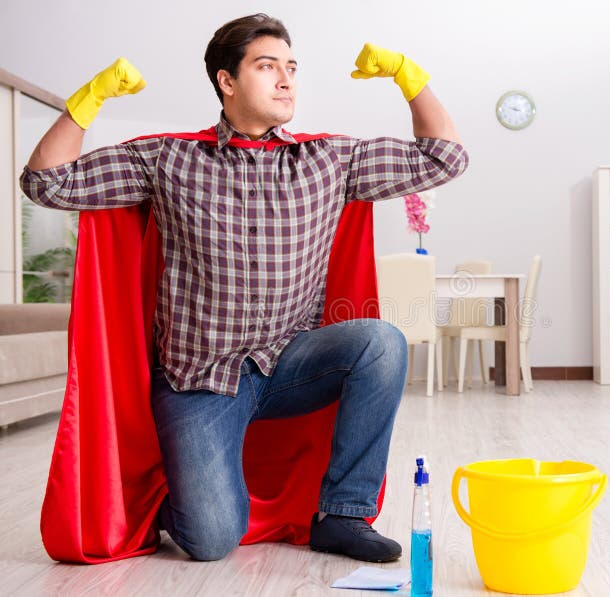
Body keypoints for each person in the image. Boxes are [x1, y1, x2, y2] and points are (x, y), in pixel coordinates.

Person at [20, 14, 467, 563]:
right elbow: (46, 183)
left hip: (291, 365)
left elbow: (444, 157)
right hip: (199, 381)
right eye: (267, 66)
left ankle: (343, 515)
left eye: (292, 68)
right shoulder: (167, 159)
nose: (286, 80)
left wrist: (409, 77)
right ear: (226, 81)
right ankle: (169, 495)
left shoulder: (330, 159)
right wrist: (89, 100)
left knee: (382, 342)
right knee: (210, 541)